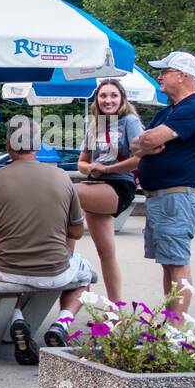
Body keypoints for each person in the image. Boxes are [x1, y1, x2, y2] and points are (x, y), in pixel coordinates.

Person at [0, 117, 95, 365]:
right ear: (38, 147)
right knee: (86, 276)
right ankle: (62, 324)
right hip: (55, 270)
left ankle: (17, 319)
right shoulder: (62, 178)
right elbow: (77, 233)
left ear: (8, 146)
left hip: (7, 269)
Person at [129, 52, 195, 316]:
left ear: (182, 76)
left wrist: (147, 142)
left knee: (177, 262)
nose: (159, 77)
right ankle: (170, 321)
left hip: (176, 197)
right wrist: (146, 143)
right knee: (167, 263)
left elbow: (147, 140)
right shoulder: (170, 111)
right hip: (160, 197)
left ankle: (176, 330)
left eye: (164, 72)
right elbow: (137, 143)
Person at [75, 79, 143, 302]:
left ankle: (66, 260)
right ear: (96, 100)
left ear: (122, 98)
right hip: (97, 185)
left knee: (64, 191)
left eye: (113, 95)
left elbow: (140, 159)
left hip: (119, 185)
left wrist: (107, 169)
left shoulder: (130, 121)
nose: (108, 100)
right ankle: (116, 308)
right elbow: (81, 163)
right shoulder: (95, 125)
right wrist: (92, 168)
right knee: (106, 253)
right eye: (103, 96)